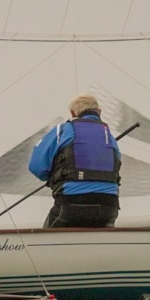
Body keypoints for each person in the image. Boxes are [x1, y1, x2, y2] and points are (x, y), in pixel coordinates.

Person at [28, 93, 122, 228]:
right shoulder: (110, 137)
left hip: (71, 203)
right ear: (99, 112)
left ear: (72, 113)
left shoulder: (63, 130)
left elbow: (36, 167)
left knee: (47, 240)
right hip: (109, 206)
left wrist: (53, 174)